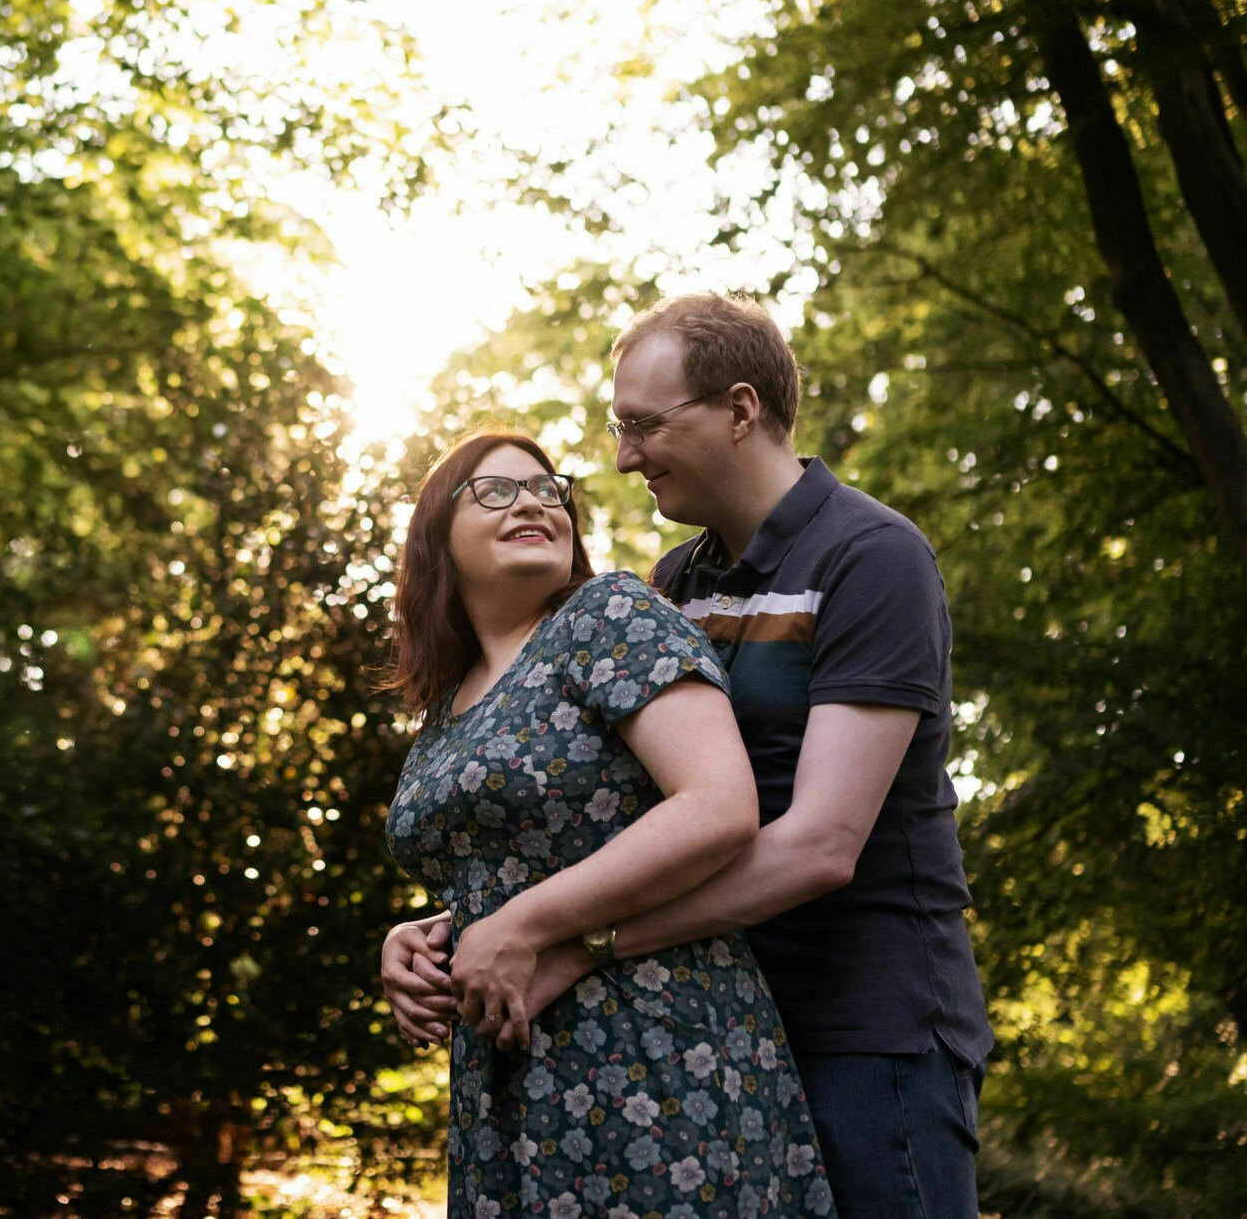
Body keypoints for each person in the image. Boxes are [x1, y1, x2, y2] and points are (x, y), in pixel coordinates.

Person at [386, 295, 992, 1218]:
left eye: (641, 425)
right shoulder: (679, 582)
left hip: (868, 1024)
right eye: (617, 430)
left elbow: (819, 843)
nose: (624, 457)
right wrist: (451, 931)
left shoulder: (872, 557)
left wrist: (577, 943)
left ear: (740, 411)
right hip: (712, 1008)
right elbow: (597, 816)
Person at [380, 428, 835, 1219]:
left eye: (548, 488)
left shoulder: (608, 614)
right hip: (509, 1082)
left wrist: (518, 923)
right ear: (435, 537)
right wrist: (435, 936)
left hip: (651, 1046)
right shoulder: (445, 703)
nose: (531, 499)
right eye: (494, 489)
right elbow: (552, 852)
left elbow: (719, 805)